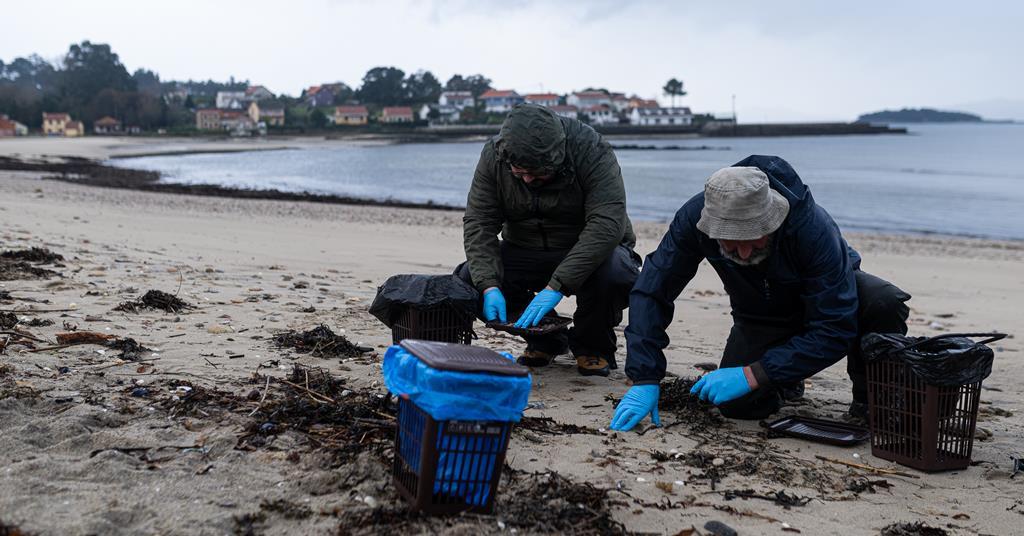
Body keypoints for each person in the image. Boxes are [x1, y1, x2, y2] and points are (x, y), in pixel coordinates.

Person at [609, 155, 911, 431]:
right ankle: (786, 380)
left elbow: (835, 327)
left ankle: (870, 401)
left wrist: (754, 374)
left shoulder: (811, 227)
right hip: (759, 314)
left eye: (753, 238)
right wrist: (645, 377)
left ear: (773, 219)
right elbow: (651, 290)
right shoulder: (693, 220)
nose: (743, 252)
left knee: (884, 300)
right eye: (730, 242)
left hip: (825, 300)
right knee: (737, 406)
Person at [456, 103, 641, 377]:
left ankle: (593, 346)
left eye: (538, 172)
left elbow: (607, 222)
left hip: (588, 247)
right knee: (469, 278)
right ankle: (545, 339)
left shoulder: (592, 149)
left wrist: (558, 285)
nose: (529, 179)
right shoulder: (494, 156)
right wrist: (489, 285)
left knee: (616, 274)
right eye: (520, 172)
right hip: (525, 247)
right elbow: (479, 221)